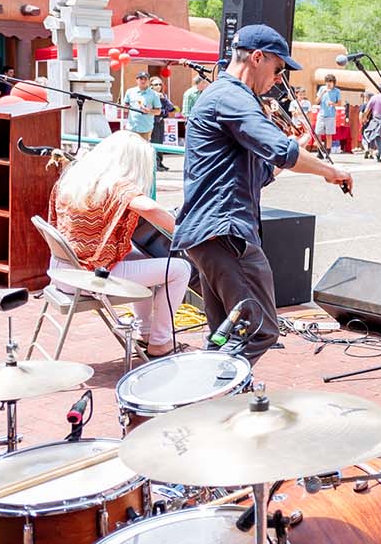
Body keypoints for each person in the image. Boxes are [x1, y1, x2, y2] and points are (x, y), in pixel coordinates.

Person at [174, 26, 352, 363]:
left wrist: (294, 154)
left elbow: (260, 171)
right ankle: (214, 396)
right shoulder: (231, 97)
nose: (278, 79)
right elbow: (278, 148)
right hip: (223, 230)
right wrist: (331, 171)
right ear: (257, 57)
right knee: (259, 329)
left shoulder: (223, 97)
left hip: (210, 234)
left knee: (224, 333)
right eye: (278, 68)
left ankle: (215, 402)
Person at [47, 131, 190, 357]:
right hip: (88, 278)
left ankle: (146, 331)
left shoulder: (73, 179)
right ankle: (161, 341)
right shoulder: (117, 185)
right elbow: (150, 208)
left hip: (61, 271)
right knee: (181, 269)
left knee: (142, 259)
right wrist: (186, 232)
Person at [125, 72, 166, 172]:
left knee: (143, 150)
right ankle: (131, 170)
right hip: (131, 126)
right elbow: (125, 105)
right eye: (140, 78)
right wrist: (126, 108)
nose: (143, 81)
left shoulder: (154, 94)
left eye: (145, 79)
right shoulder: (130, 92)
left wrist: (149, 111)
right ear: (137, 80)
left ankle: (143, 170)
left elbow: (158, 111)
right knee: (131, 149)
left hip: (146, 128)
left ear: (148, 81)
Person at [314, 77, 342, 156]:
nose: (328, 84)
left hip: (331, 116)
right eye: (327, 82)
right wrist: (322, 93)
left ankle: (327, 153)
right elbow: (316, 102)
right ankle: (319, 151)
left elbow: (339, 103)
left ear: (334, 83)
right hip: (321, 115)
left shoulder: (337, 91)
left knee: (328, 135)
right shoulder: (322, 89)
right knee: (317, 133)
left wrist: (333, 103)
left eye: (330, 82)